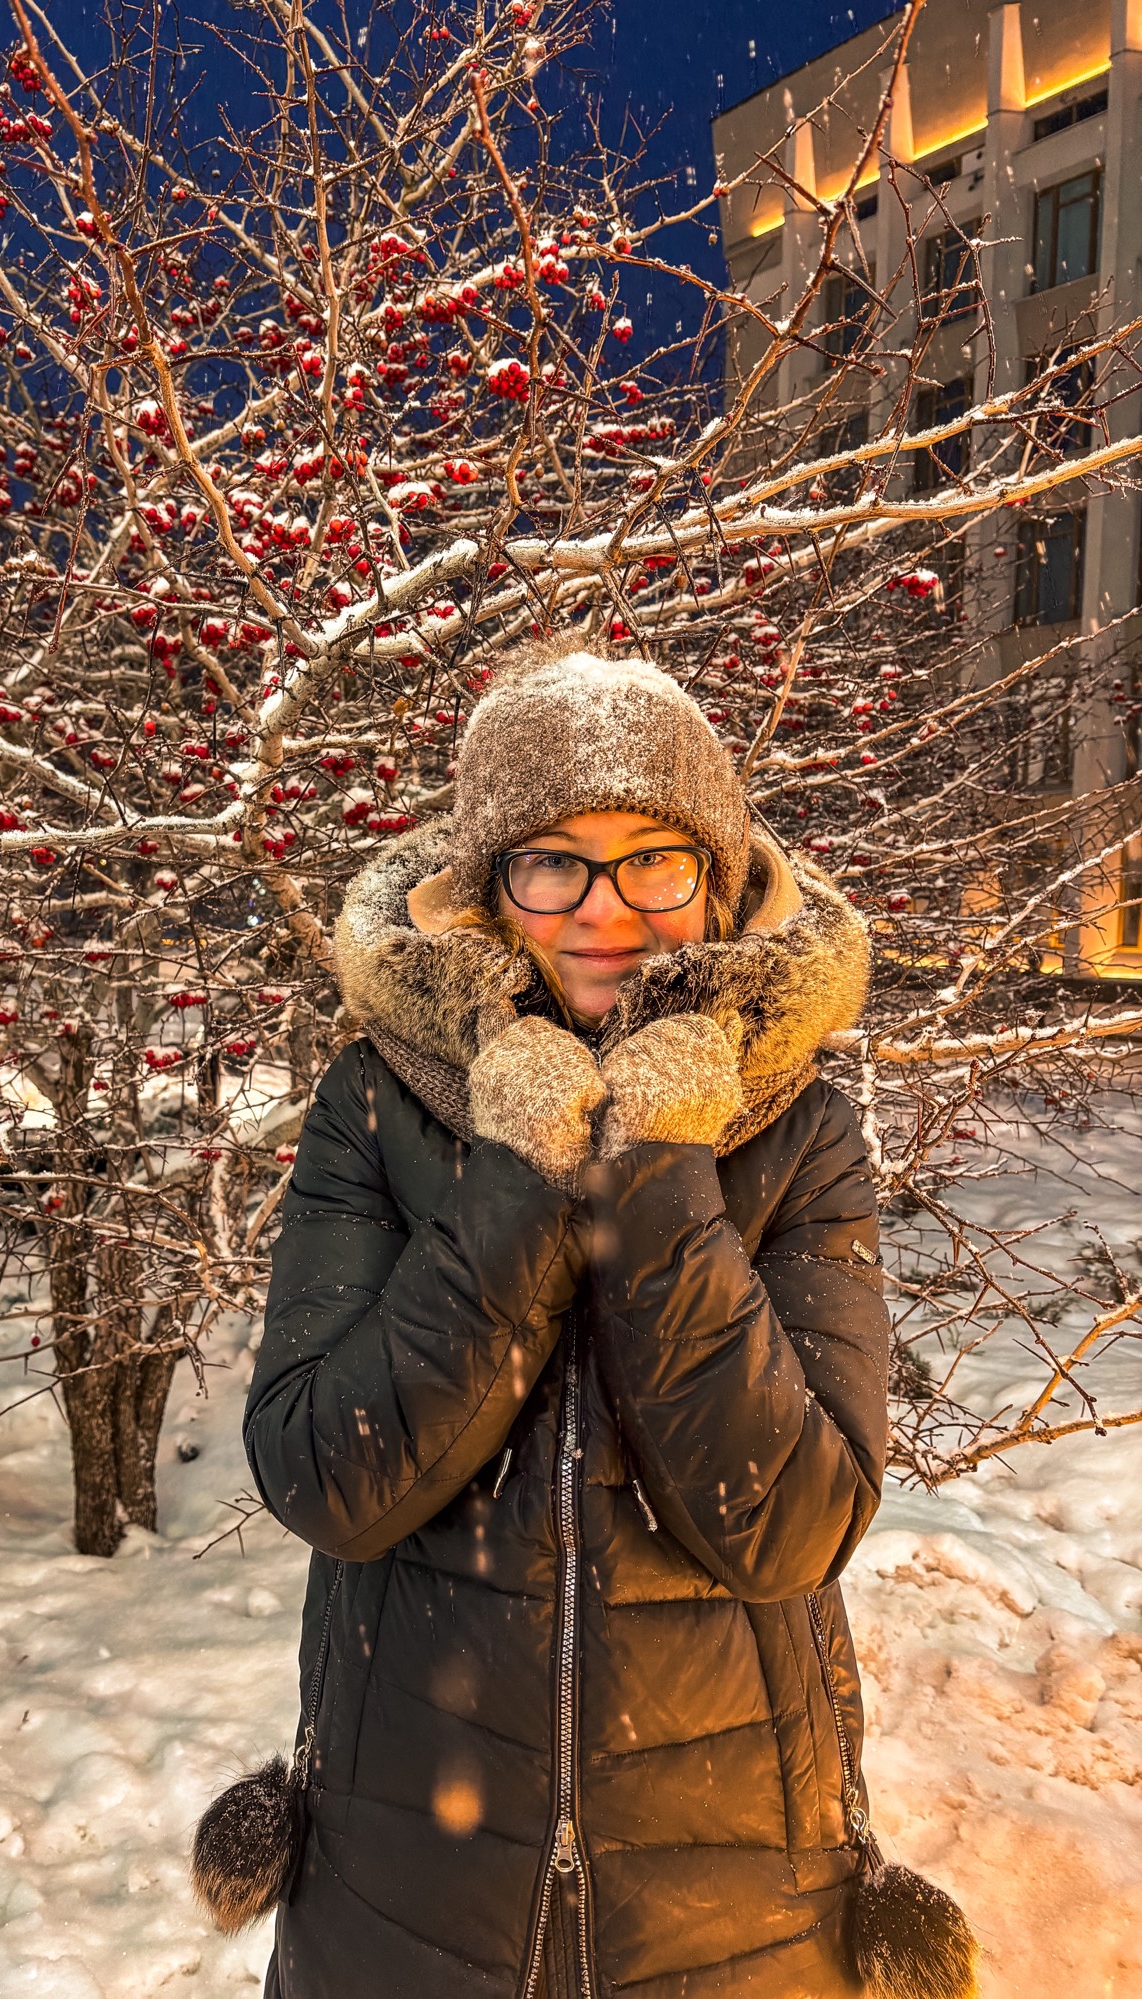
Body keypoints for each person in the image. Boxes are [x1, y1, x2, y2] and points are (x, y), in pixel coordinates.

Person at [240, 650, 896, 1997]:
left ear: (716, 881)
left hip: (733, 1912)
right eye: (552, 862)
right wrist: (521, 1172)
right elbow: (330, 1478)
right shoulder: (380, 1107)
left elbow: (788, 1526)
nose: (608, 911)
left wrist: (663, 1168)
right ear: (491, 892)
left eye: (655, 859)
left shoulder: (800, 1127)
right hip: (401, 1879)